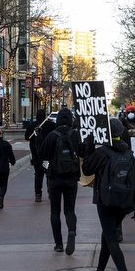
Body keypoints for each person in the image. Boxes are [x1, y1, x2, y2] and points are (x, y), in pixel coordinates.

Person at [82, 117, 135, 271]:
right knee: (107, 236)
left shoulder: (102, 152)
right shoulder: (129, 153)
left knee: (111, 238)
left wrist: (89, 145)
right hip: (124, 202)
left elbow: (86, 169)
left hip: (106, 201)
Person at [39, 107, 82, 254]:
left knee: (55, 211)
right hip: (71, 177)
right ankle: (72, 230)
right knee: (69, 209)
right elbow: (83, 152)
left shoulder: (52, 135)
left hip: (54, 177)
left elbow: (42, 154)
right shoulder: (75, 135)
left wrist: (38, 138)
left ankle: (58, 243)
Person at [27, 108, 54, 202]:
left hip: (36, 154)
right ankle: (50, 192)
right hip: (48, 154)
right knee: (49, 174)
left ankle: (38, 194)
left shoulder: (31, 126)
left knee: (38, 174)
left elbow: (26, 137)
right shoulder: (51, 125)